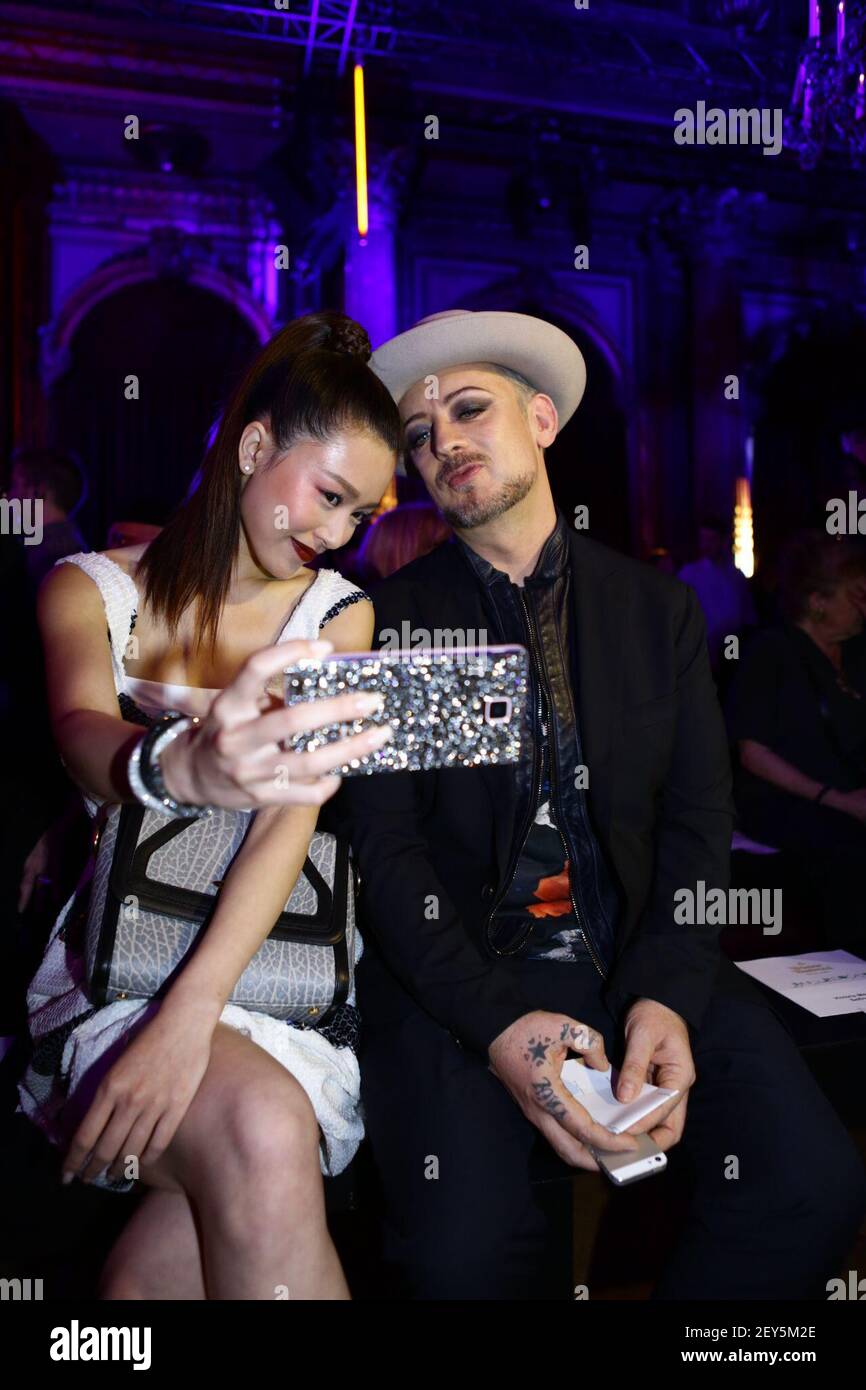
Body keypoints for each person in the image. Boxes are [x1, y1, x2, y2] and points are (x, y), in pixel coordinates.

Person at [331, 308, 866, 1300]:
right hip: (461, 980)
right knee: (462, 1257)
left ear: (541, 418)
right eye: (415, 432)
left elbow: (696, 822)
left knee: (809, 1182)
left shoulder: (652, 609)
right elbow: (389, 849)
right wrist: (497, 1025)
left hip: (634, 954)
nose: (439, 438)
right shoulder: (396, 620)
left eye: (468, 408)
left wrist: (663, 986)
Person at [16, 311, 400, 1301]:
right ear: (254, 445)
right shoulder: (88, 588)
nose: (331, 533)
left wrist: (188, 1019)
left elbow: (289, 817)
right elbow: (77, 735)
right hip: (116, 966)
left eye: (357, 514)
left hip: (270, 978)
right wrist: (171, 769)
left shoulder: (337, 613)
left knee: (149, 1292)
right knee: (259, 1136)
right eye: (325, 496)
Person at [725, 530, 866, 951]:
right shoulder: (772, 651)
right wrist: (836, 799)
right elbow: (752, 752)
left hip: (847, 795)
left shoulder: (858, 655)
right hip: (789, 799)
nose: (863, 607)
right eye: (856, 595)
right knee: (847, 853)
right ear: (818, 600)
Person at [676, 514, 757, 690]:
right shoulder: (690, 574)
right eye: (703, 540)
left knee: (730, 682)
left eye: (711, 539)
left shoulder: (735, 575)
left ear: (723, 540)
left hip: (732, 641)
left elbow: (746, 616)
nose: (706, 545)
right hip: (702, 645)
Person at [5, 447, 89, 587]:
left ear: (39, 491)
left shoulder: (53, 556)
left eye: (14, 485)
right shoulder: (62, 546)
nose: (9, 497)